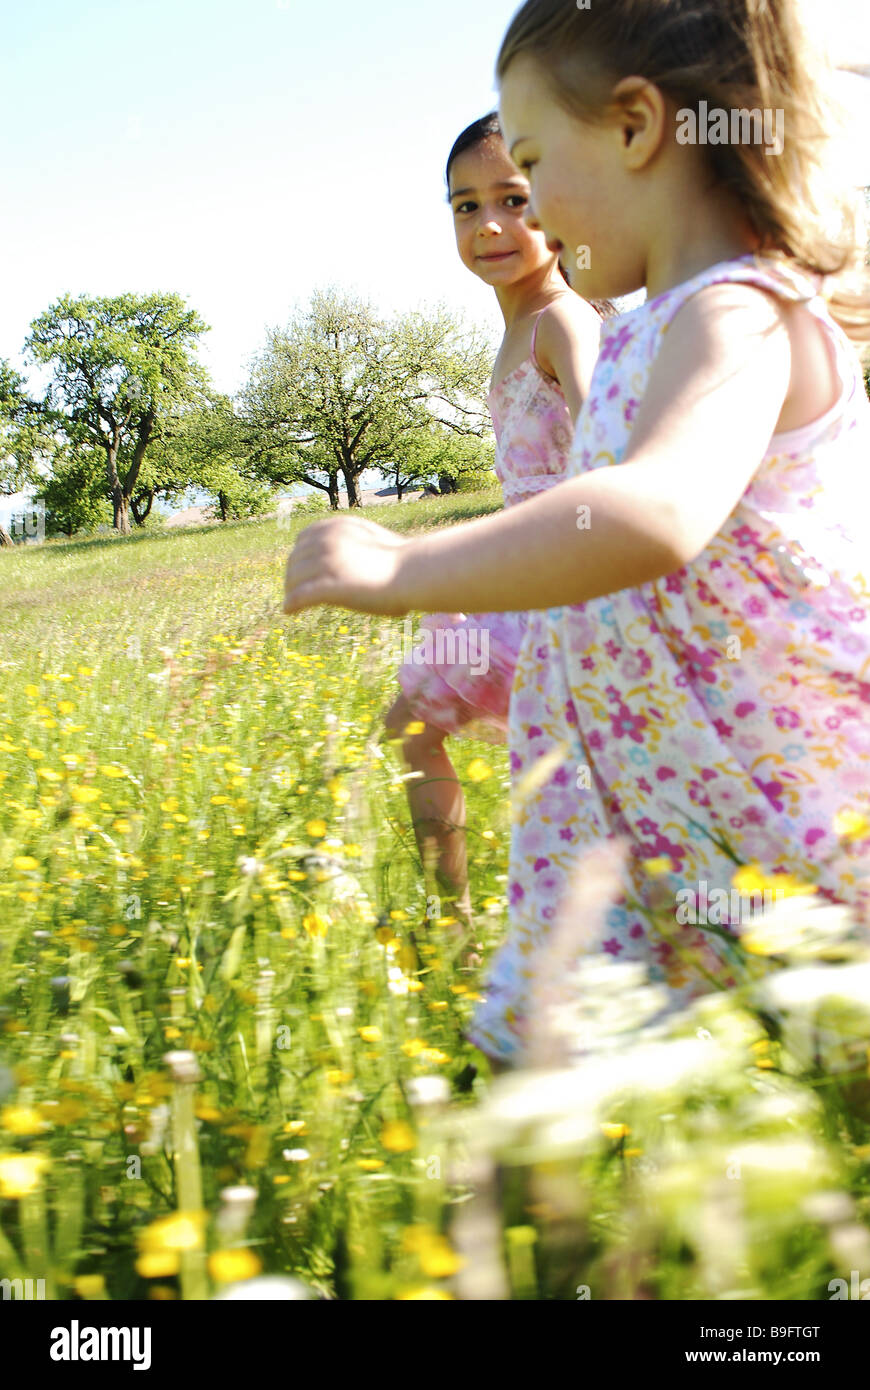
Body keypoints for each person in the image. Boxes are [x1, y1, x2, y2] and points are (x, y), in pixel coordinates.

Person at [284, 0, 870, 1067]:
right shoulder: (655, 317)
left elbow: (653, 506)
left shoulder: (738, 313)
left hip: (757, 782)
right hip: (609, 767)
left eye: (538, 165)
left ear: (639, 129)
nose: (532, 211)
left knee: (821, 1043)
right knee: (536, 1053)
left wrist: (408, 566)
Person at [383, 112, 603, 947]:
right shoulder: (515, 326)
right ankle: (455, 920)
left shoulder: (562, 321)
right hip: (518, 584)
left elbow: (609, 448)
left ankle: (553, 939)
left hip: (563, 588)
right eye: (465, 207)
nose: (490, 226)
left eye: (515, 199)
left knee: (569, 781)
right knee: (410, 723)